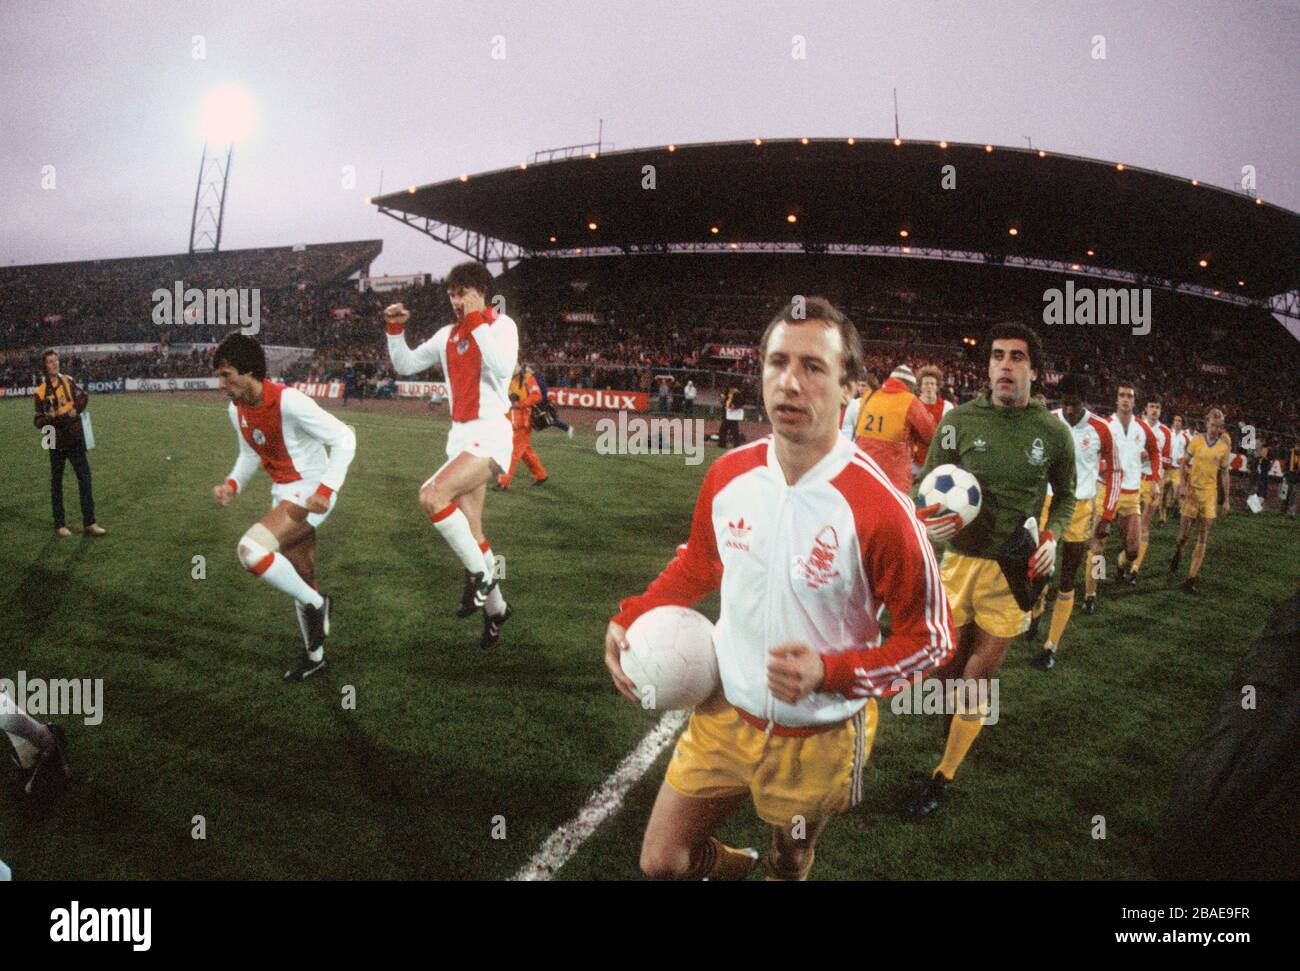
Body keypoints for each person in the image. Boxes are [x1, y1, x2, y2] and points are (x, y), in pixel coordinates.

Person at [605, 297, 953, 880]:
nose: (790, 382)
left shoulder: (882, 511)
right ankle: (731, 867)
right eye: (777, 362)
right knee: (663, 862)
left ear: (850, 389)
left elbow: (931, 639)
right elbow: (699, 563)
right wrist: (632, 614)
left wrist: (831, 672)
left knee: (789, 859)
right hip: (724, 712)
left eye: (814, 367)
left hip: (819, 736)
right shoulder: (728, 474)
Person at [907, 322, 1075, 818]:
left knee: (978, 679)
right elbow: (927, 483)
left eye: (1017, 357)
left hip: (1011, 572)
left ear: (1035, 371)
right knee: (946, 673)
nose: (1005, 365)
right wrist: (930, 521)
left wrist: (1051, 537)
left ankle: (942, 776)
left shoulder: (1053, 433)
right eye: (998, 355)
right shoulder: (959, 420)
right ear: (987, 367)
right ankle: (955, 727)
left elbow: (1066, 497)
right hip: (957, 565)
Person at [384, 261, 517, 648]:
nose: (456, 301)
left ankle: (482, 576)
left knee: (432, 495)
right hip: (459, 438)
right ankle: (496, 611)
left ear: (481, 293)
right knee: (471, 530)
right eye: (452, 294)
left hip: (491, 434)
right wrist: (395, 329)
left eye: (463, 293)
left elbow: (502, 367)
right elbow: (405, 364)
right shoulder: (446, 335)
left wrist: (477, 320)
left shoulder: (501, 326)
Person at [212, 332, 358, 680]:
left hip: (311, 493)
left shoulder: (290, 402)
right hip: (284, 492)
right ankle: (316, 656)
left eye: (226, 375)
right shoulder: (237, 410)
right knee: (302, 577)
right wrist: (233, 483)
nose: (221, 383)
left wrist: (325, 489)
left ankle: (320, 605)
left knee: (250, 550)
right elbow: (250, 452)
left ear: (249, 372)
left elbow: (345, 438)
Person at [1029, 374, 1119, 669]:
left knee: (1067, 577)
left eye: (1075, 404)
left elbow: (1115, 471)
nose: (1069, 409)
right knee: (1038, 571)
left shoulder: (1101, 429)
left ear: (1086, 403)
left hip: (1080, 509)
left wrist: (1107, 515)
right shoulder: (1047, 420)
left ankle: (1051, 646)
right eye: (1065, 403)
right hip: (1047, 505)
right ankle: (1036, 611)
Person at [1091, 383, 1161, 596]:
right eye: (1121, 395)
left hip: (1131, 495)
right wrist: (1099, 467)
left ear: (1134, 401)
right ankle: (1094, 588)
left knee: (1133, 550)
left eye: (1129, 396)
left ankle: (1122, 564)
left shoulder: (1143, 428)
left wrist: (1155, 480)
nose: (1125, 399)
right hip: (1106, 491)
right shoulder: (1105, 426)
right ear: (1116, 399)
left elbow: (1155, 452)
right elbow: (1093, 454)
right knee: (1098, 543)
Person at [33, 350, 107, 537]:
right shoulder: (41, 391)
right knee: (57, 482)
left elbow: (83, 397)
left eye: (56, 360)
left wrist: (77, 408)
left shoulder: (68, 380)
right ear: (45, 365)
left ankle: (90, 522)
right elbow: (37, 421)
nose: (55, 364)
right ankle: (60, 524)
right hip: (53, 436)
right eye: (50, 361)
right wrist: (47, 419)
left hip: (74, 435)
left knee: (85, 478)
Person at [1169, 408, 1231, 593]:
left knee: (1203, 534)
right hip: (1192, 493)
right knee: (1184, 536)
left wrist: (1226, 499)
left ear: (1221, 428)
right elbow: (1183, 463)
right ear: (1207, 423)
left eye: (1218, 426)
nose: (1214, 429)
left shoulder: (1223, 448)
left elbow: (1225, 473)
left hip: (1209, 495)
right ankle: (1179, 550)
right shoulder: (1196, 441)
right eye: (1212, 425)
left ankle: (1191, 578)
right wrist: (1181, 484)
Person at [846, 364, 935, 491]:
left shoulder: (869, 396)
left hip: (862, 468)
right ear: (909, 386)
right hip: (893, 476)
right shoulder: (909, 400)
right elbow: (930, 434)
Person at [2, 684, 71, 798]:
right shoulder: (49, 743)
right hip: (19, 726)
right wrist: (65, 765)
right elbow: (41, 767)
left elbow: (42, 766)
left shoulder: (49, 740)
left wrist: (65, 765)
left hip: (19, 727)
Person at [1130, 399, 1171, 574]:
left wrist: (1153, 456)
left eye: (1157, 407)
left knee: (1144, 525)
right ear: (1145, 409)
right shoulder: (1135, 426)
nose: (1154, 410)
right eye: (1151, 406)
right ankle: (1125, 559)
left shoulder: (1165, 432)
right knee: (1129, 525)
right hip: (1133, 479)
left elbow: (1168, 461)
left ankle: (1134, 568)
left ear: (1160, 411)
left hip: (1154, 482)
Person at [497, 363, 548, 490]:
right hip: (513, 420)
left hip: (523, 421)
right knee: (524, 450)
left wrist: (520, 403)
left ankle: (503, 482)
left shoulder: (528, 378)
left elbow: (537, 396)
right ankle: (541, 474)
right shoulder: (511, 379)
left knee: (512, 451)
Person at [1161, 415, 1190, 524]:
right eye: (1176, 420)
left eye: (1180, 420)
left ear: (1182, 423)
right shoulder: (1167, 434)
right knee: (1163, 494)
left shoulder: (1186, 437)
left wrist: (1183, 459)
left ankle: (1175, 508)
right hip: (1166, 468)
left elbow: (1189, 453)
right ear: (1173, 422)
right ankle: (1162, 518)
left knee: (1176, 493)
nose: (1178, 422)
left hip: (1178, 469)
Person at [531, 364, 572, 436]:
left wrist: (539, 403)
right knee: (547, 420)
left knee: (548, 420)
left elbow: (540, 394)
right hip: (539, 403)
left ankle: (567, 428)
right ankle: (567, 428)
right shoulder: (539, 381)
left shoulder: (536, 381)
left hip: (540, 404)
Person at [717, 382, 745, 448]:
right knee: (723, 430)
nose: (731, 389)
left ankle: (736, 445)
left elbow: (742, 402)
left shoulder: (738, 394)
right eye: (730, 388)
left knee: (735, 431)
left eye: (732, 388)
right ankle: (722, 445)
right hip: (726, 414)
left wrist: (735, 406)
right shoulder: (728, 393)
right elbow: (724, 400)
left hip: (733, 416)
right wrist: (722, 398)